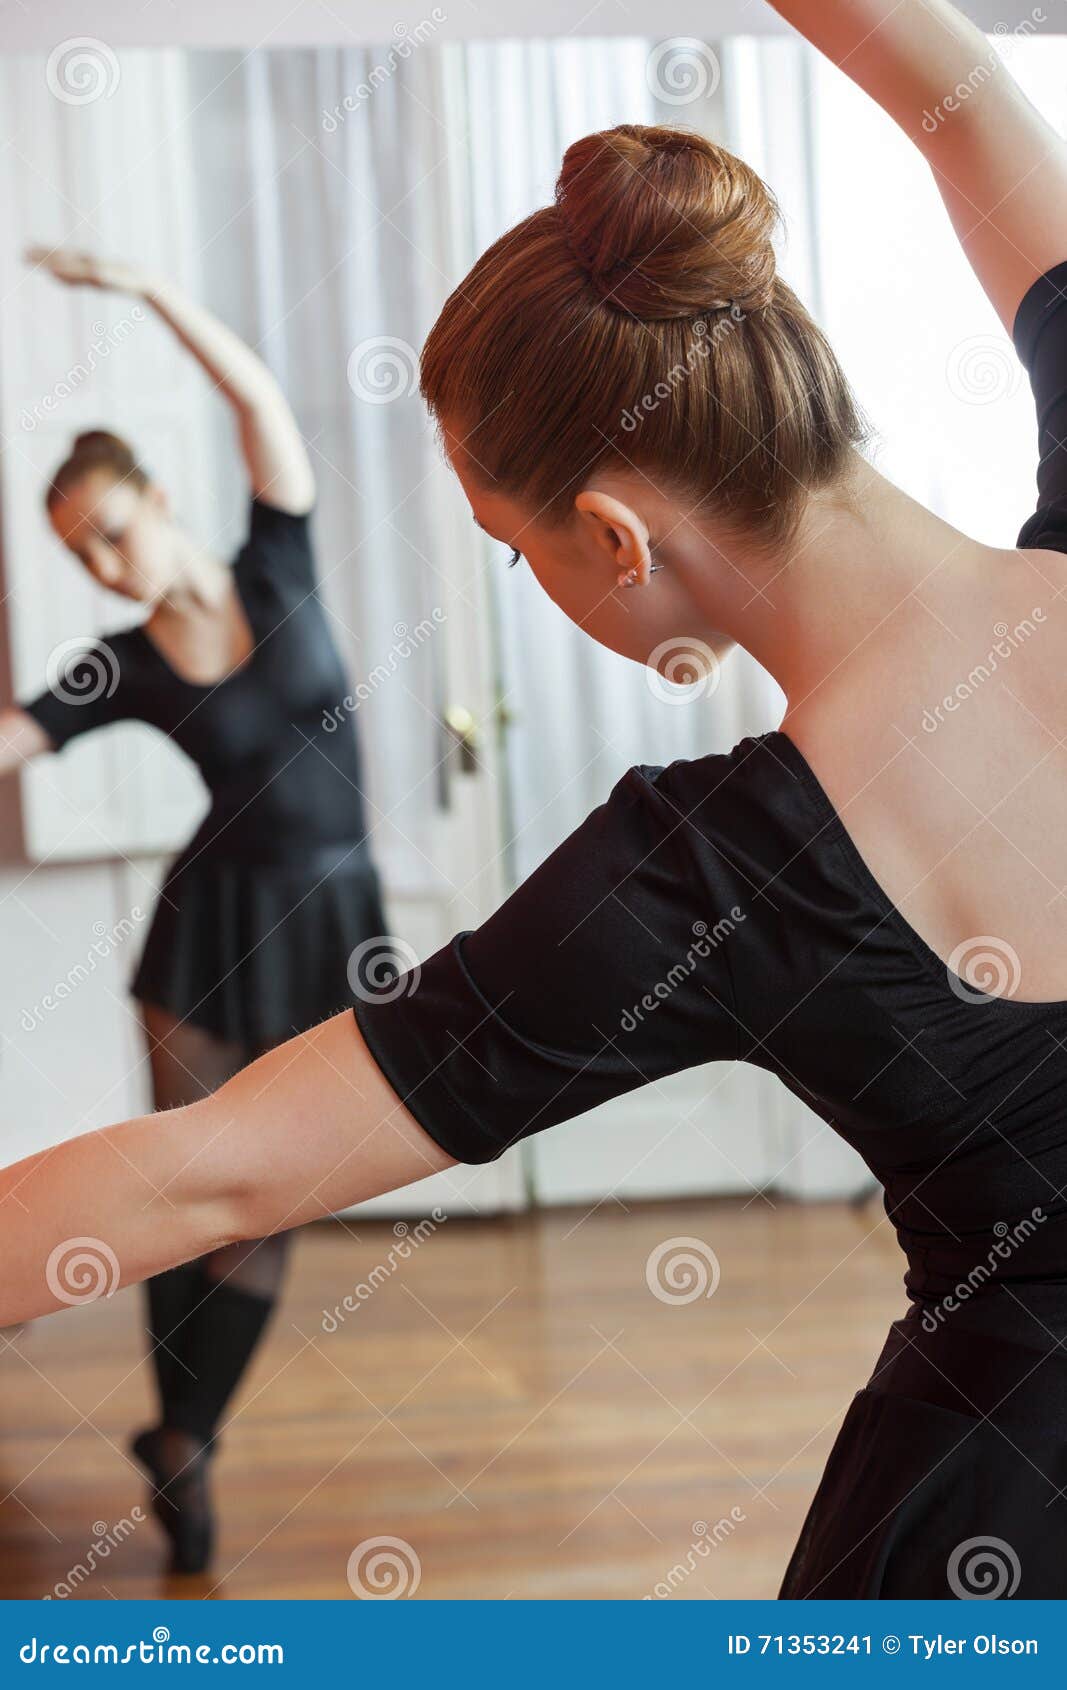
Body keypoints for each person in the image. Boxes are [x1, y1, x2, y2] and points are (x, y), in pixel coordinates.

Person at [2, 0, 1067, 1595]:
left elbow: (211, 1168)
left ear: (615, 538)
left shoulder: (712, 877)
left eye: (517, 548)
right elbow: (961, 96)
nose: (531, 581)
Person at [0, 252, 390, 1574]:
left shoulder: (274, 557)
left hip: (332, 910)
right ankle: (184, 1439)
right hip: (209, 926)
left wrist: (142, 290)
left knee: (268, 1202)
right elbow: (18, 735)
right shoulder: (119, 663)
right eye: (77, 552)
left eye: (111, 527)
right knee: (189, 1187)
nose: (104, 563)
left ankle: (180, 1434)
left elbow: (257, 398)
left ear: (158, 498)